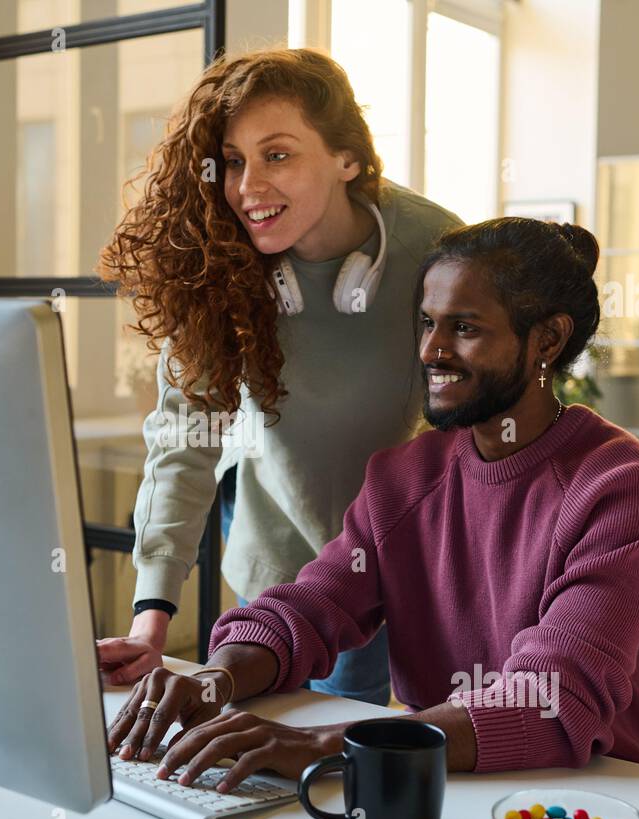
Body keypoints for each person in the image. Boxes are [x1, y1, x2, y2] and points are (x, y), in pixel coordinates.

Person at [106, 218, 639, 786]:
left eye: (465, 328)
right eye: (428, 323)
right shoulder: (404, 477)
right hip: (443, 777)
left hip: (591, 797)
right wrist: (217, 679)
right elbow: (307, 610)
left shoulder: (620, 485)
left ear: (547, 340)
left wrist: (321, 745)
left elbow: (553, 696)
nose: (432, 349)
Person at [95, 48, 463, 706]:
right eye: (234, 161)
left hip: (383, 559)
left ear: (347, 159)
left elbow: (476, 420)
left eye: (278, 154)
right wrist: (151, 618)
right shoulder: (219, 260)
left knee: (337, 758)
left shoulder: (435, 248)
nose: (247, 187)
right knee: (249, 737)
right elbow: (185, 437)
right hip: (269, 547)